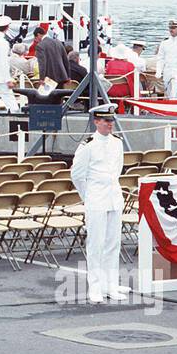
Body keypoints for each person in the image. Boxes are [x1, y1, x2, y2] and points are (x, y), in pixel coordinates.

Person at [71, 103, 127, 303]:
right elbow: (77, 175)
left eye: (111, 120)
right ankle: (95, 286)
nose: (110, 124)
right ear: (96, 122)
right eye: (106, 120)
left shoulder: (117, 143)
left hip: (113, 196)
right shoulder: (88, 145)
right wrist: (88, 197)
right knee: (96, 244)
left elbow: (118, 170)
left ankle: (110, 284)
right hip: (96, 197)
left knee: (113, 243)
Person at [154, 20, 177, 99]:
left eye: (174, 27)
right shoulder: (164, 43)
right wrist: (159, 71)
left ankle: (175, 109)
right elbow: (160, 58)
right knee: (169, 93)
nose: (171, 29)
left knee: (175, 93)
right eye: (170, 27)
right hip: (167, 72)